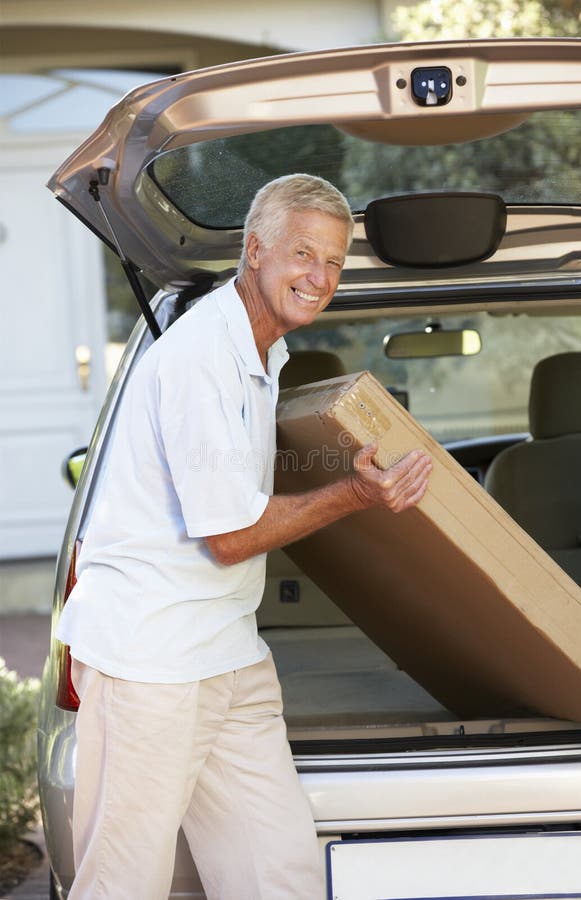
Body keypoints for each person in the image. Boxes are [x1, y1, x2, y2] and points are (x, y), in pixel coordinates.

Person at [57, 173, 433, 900]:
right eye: (303, 254)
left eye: (333, 262)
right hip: (152, 664)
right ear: (255, 251)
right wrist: (357, 491)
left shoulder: (264, 353)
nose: (319, 277)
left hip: (228, 652)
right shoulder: (203, 356)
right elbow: (228, 538)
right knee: (123, 882)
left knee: (277, 868)